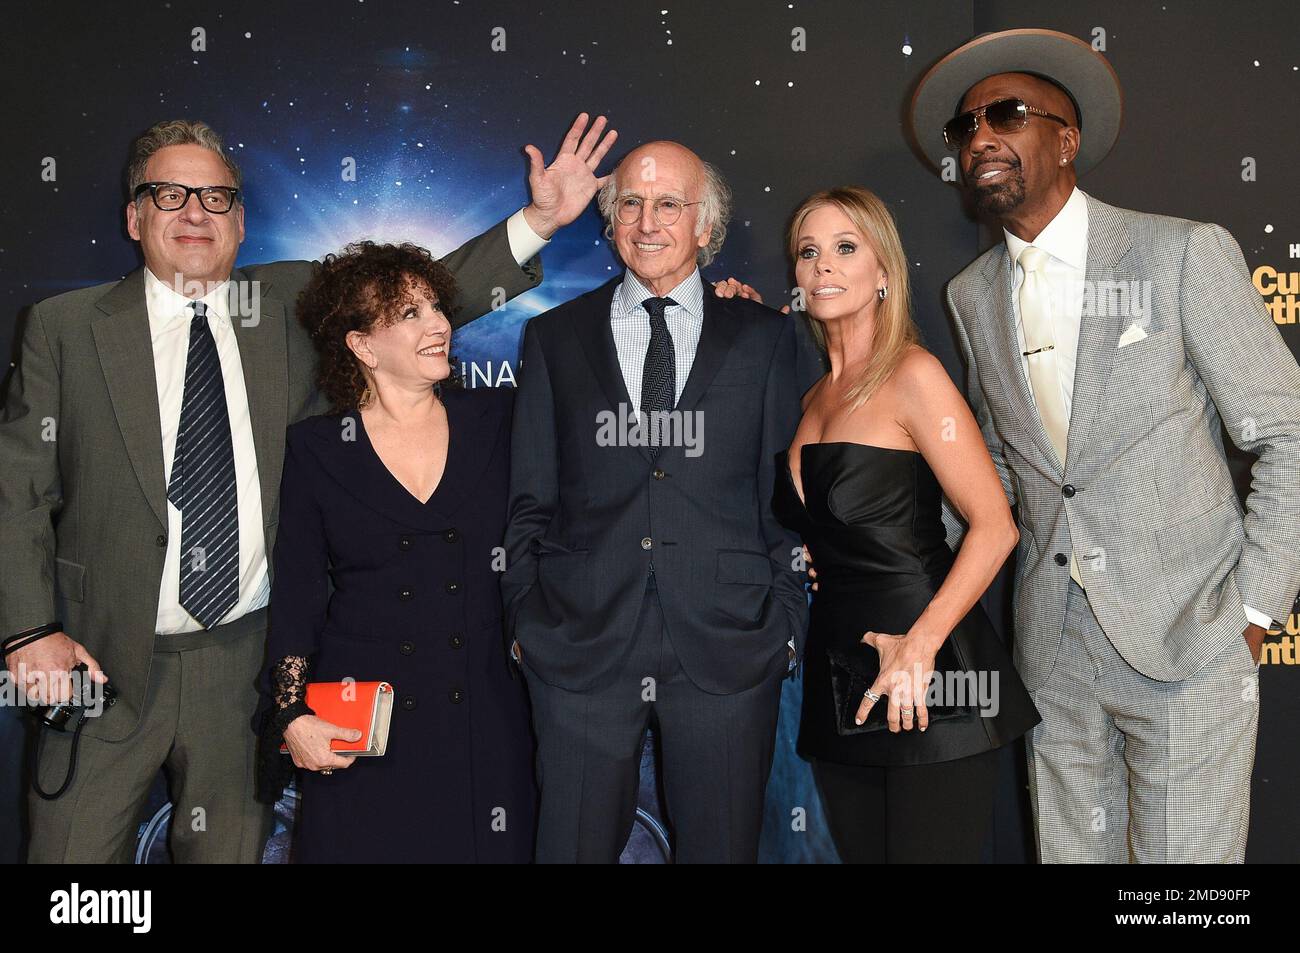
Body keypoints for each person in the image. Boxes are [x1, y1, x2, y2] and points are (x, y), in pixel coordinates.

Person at [1, 113, 615, 863]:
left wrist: (538, 222)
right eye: (170, 195)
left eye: (217, 197)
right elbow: (19, 486)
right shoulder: (63, 327)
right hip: (103, 663)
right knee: (74, 887)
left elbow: (407, 307)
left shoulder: (285, 304)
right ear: (134, 216)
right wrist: (30, 630)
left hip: (243, 666)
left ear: (242, 219)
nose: (197, 212)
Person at [910, 29, 1300, 862]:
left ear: (1066, 139)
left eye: (1007, 114)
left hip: (1191, 636)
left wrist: (1255, 609)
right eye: (966, 125)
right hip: (1053, 652)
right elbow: (997, 472)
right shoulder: (971, 295)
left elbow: (1288, 433)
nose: (980, 135)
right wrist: (883, 558)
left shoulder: (1179, 253)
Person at [503, 140, 818, 863]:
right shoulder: (552, 338)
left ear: (705, 227)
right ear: (612, 223)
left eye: (670, 204)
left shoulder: (767, 338)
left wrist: (786, 627)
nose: (649, 222)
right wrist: (526, 620)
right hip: (578, 646)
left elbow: (785, 501)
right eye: (631, 205)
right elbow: (530, 499)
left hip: (732, 648)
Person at [771, 186, 1039, 863]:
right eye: (809, 252)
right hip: (841, 680)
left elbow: (995, 525)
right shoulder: (810, 399)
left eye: (845, 247)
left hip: (932, 677)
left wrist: (920, 646)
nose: (823, 266)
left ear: (883, 271)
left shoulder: (913, 375)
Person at [258, 242, 535, 863]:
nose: (439, 324)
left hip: (485, 712)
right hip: (365, 724)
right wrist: (291, 714)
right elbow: (299, 595)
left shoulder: (502, 418)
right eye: (408, 314)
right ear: (360, 345)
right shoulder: (318, 448)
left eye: (435, 306)